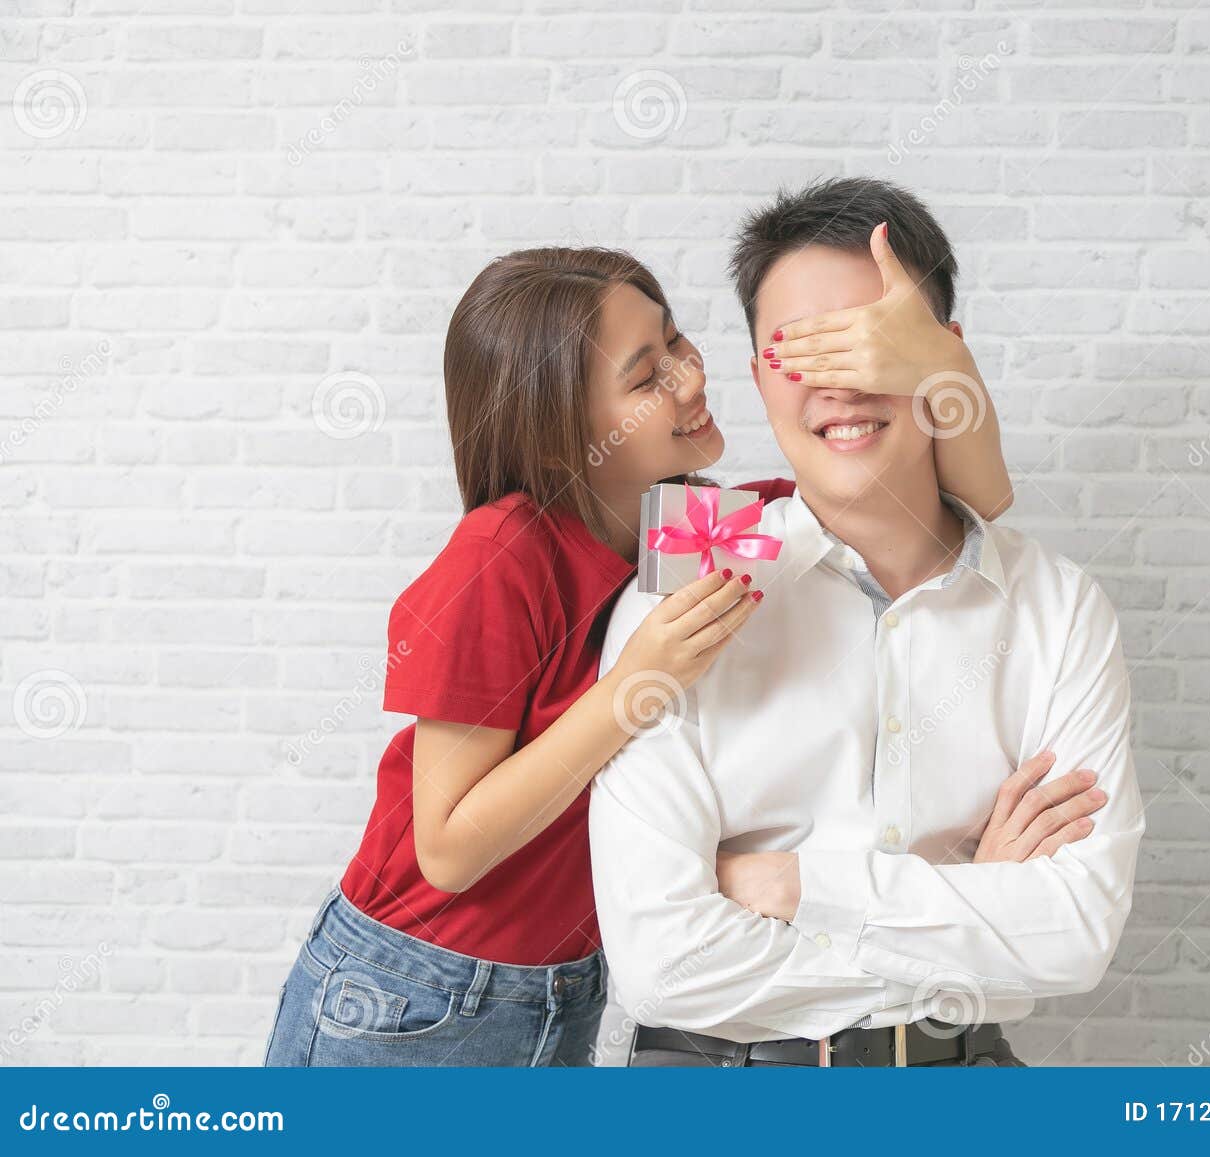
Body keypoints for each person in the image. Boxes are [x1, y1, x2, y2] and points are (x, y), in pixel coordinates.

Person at [264, 239, 1025, 1066]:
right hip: (410, 990)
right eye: (646, 376)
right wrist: (638, 682)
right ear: (560, 434)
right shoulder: (500, 557)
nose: (690, 376)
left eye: (674, 341)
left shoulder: (702, 528)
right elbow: (447, 850)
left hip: (564, 989)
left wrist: (937, 359)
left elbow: (968, 501)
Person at [590, 178, 1144, 1067]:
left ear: (943, 360)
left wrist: (792, 884)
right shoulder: (682, 597)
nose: (838, 383)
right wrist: (968, 910)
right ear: (757, 378)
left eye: (869, 341)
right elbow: (663, 967)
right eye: (797, 348)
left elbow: (1075, 934)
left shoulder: (1059, 608)